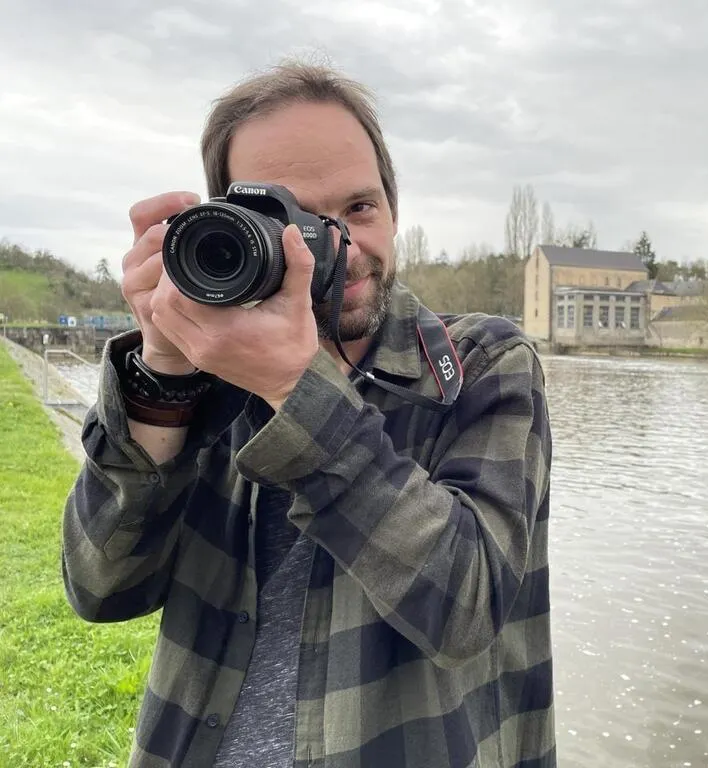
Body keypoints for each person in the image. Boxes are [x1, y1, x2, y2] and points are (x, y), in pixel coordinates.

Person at [61, 58, 555, 768]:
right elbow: (101, 587)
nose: (339, 249)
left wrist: (298, 388)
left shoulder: (479, 364)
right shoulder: (205, 372)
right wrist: (163, 378)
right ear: (229, 227)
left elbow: (467, 609)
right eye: (295, 218)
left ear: (394, 210)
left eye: (359, 208)